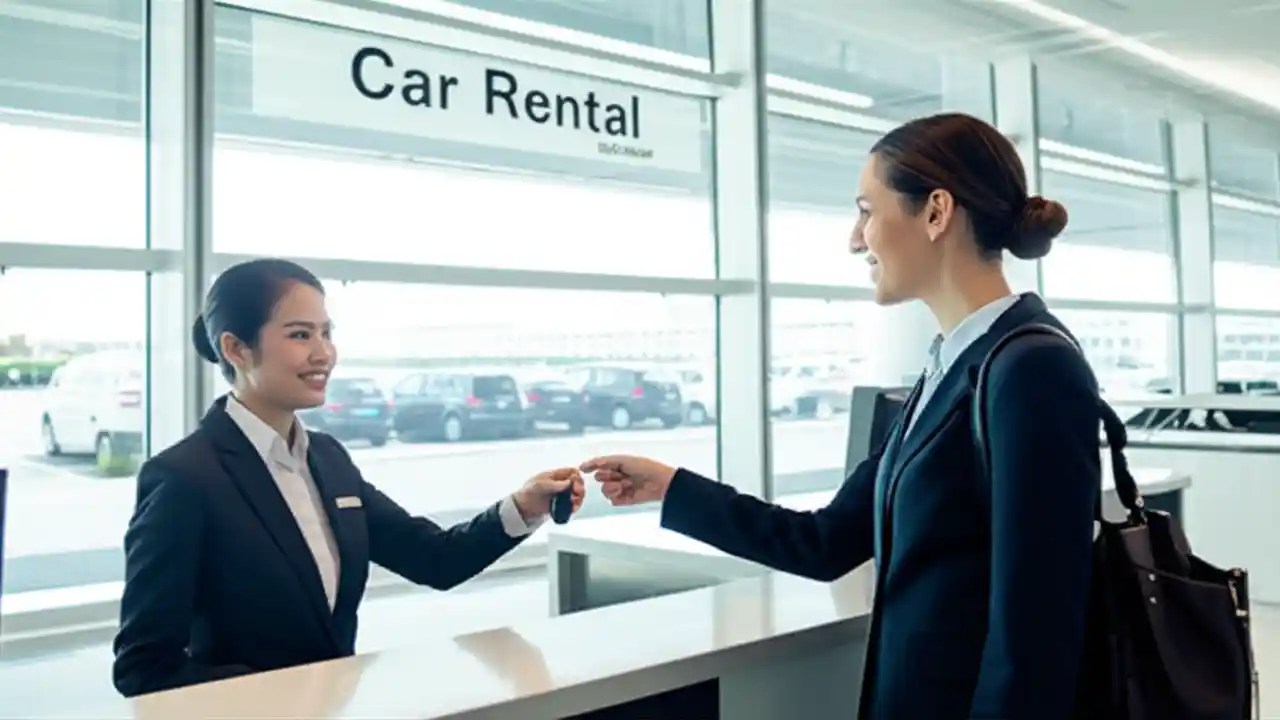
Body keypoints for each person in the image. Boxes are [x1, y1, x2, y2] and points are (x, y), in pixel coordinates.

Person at [581, 113, 1099, 720]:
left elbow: (1037, 630)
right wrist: (672, 489)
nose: (856, 239)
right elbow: (826, 541)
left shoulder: (1031, 368)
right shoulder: (953, 365)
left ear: (936, 212)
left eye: (865, 211)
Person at [112, 259, 585, 697]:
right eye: (299, 335)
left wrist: (525, 507)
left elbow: (435, 559)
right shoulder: (184, 478)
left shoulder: (328, 458)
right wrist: (285, 698)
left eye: (326, 333)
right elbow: (145, 667)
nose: (323, 354)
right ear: (235, 348)